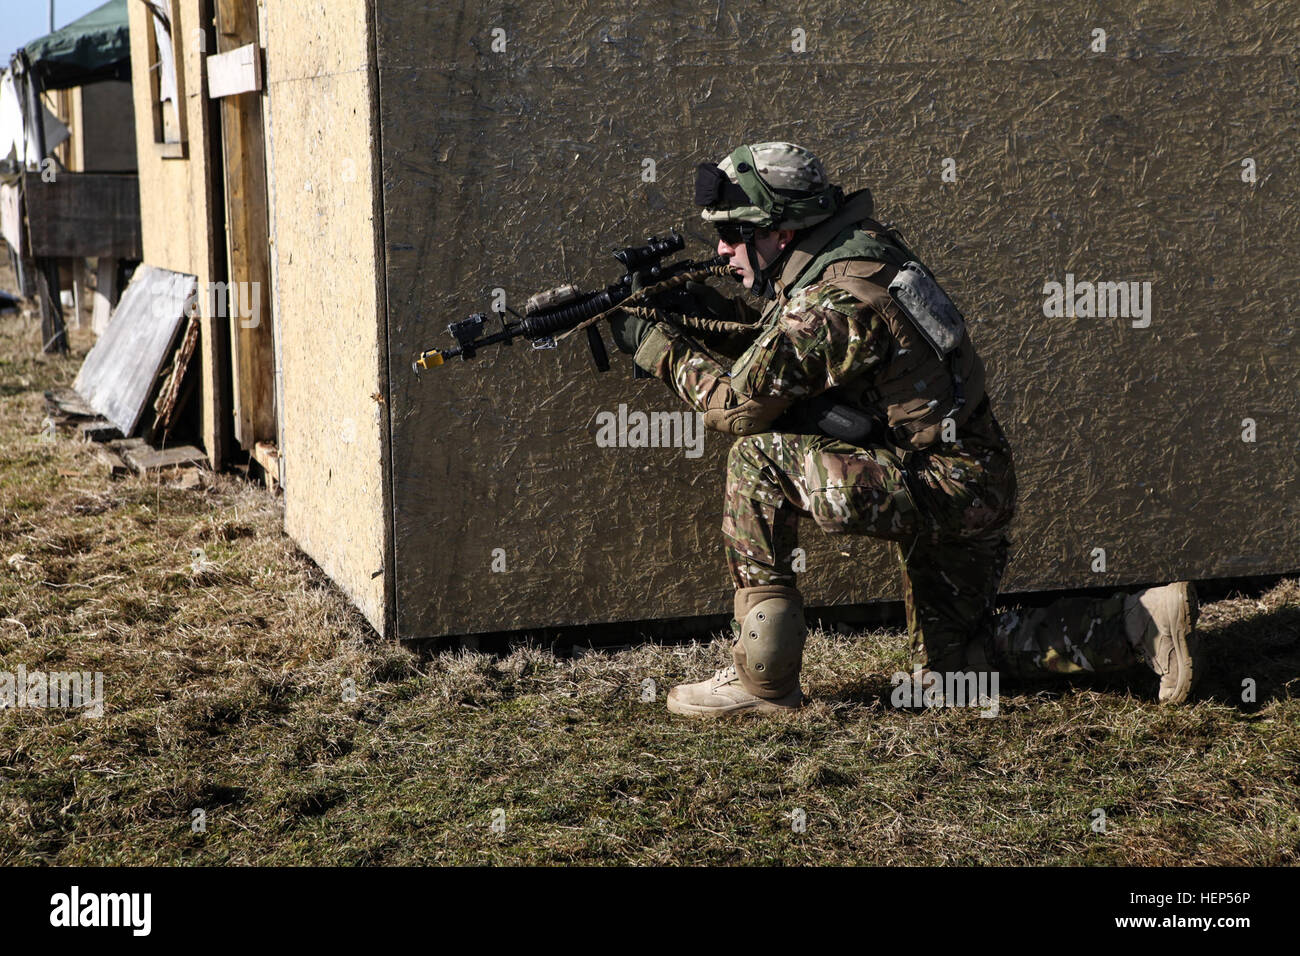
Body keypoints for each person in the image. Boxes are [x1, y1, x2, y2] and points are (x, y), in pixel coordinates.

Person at [606, 141, 1199, 718]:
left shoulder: (834, 300)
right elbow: (785, 345)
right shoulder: (858, 251)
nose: (723, 249)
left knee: (757, 458)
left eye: (736, 235)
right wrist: (703, 305)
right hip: (972, 475)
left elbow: (739, 404)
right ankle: (1141, 622)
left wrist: (659, 348)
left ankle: (764, 682)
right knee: (959, 670)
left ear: (780, 233)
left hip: (937, 482)